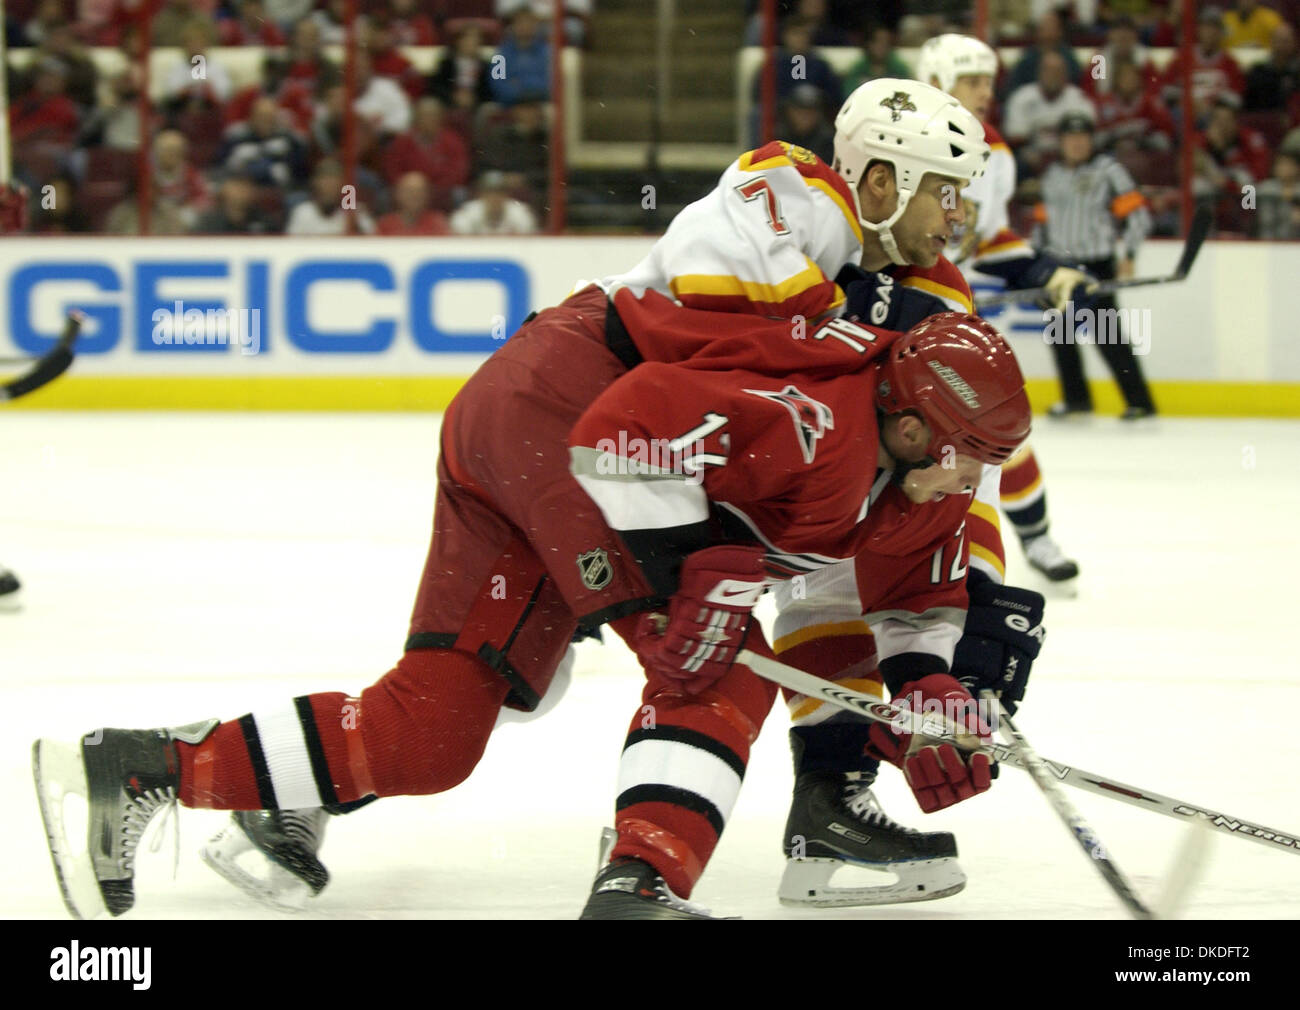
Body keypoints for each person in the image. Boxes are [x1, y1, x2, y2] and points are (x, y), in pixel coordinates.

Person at [915, 34, 1087, 581]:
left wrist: (1041, 269)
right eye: (971, 80)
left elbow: (987, 239)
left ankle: (1033, 539)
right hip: (886, 316)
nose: (984, 92)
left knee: (994, 429)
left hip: (948, 316)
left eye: (989, 80)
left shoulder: (996, 153)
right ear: (937, 83)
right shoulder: (895, 141)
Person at [1035, 112, 1156, 419]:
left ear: (1092, 141)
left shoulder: (1108, 171)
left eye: (1083, 137)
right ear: (1060, 142)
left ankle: (1140, 401)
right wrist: (1035, 262)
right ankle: (1076, 400)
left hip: (1095, 264)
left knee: (1108, 336)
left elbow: (1138, 216)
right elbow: (1042, 224)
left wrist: (1129, 253)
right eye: (1070, 138)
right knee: (1061, 336)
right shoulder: (1051, 176)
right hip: (1059, 267)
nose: (1077, 144)